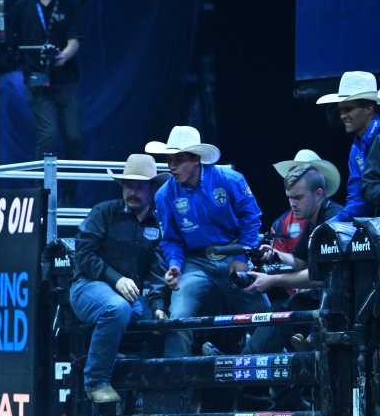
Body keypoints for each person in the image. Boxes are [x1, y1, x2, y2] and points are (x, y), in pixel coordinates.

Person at [147, 125, 269, 357]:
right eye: (169, 159)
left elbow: (251, 217)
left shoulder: (230, 179)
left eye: (178, 159)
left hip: (234, 253)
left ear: (195, 159)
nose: (171, 166)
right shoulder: (164, 195)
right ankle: (176, 384)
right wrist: (175, 264)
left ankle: (250, 368)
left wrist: (242, 256)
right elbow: (171, 239)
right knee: (179, 317)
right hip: (196, 263)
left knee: (266, 315)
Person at [69, 154, 168, 404]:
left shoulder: (157, 224)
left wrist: (158, 308)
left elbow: (157, 274)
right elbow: (83, 254)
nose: (132, 191)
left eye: (139, 186)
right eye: (128, 185)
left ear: (151, 189)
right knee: (117, 308)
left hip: (129, 296)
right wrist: (116, 279)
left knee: (159, 325)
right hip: (87, 287)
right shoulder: (104, 212)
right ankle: (96, 382)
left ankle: (146, 390)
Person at [241, 151, 343, 354]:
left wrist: (273, 280)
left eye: (298, 197)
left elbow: (320, 276)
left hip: (340, 302)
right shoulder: (311, 219)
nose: (292, 204)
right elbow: (299, 261)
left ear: (319, 194)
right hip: (319, 298)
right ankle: (245, 362)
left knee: (287, 309)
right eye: (289, 198)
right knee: (280, 310)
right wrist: (276, 254)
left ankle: (311, 347)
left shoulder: (333, 222)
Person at [9, 0, 84, 161]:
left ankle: (70, 193)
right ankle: (43, 191)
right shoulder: (22, 5)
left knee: (74, 136)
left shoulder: (70, 3)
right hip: (37, 80)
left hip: (67, 79)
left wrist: (63, 56)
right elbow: (10, 41)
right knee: (48, 136)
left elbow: (75, 40)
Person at [315, 71, 380, 219]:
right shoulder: (356, 149)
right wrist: (334, 223)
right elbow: (356, 199)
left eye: (348, 109)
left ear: (369, 108)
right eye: (341, 110)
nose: (343, 115)